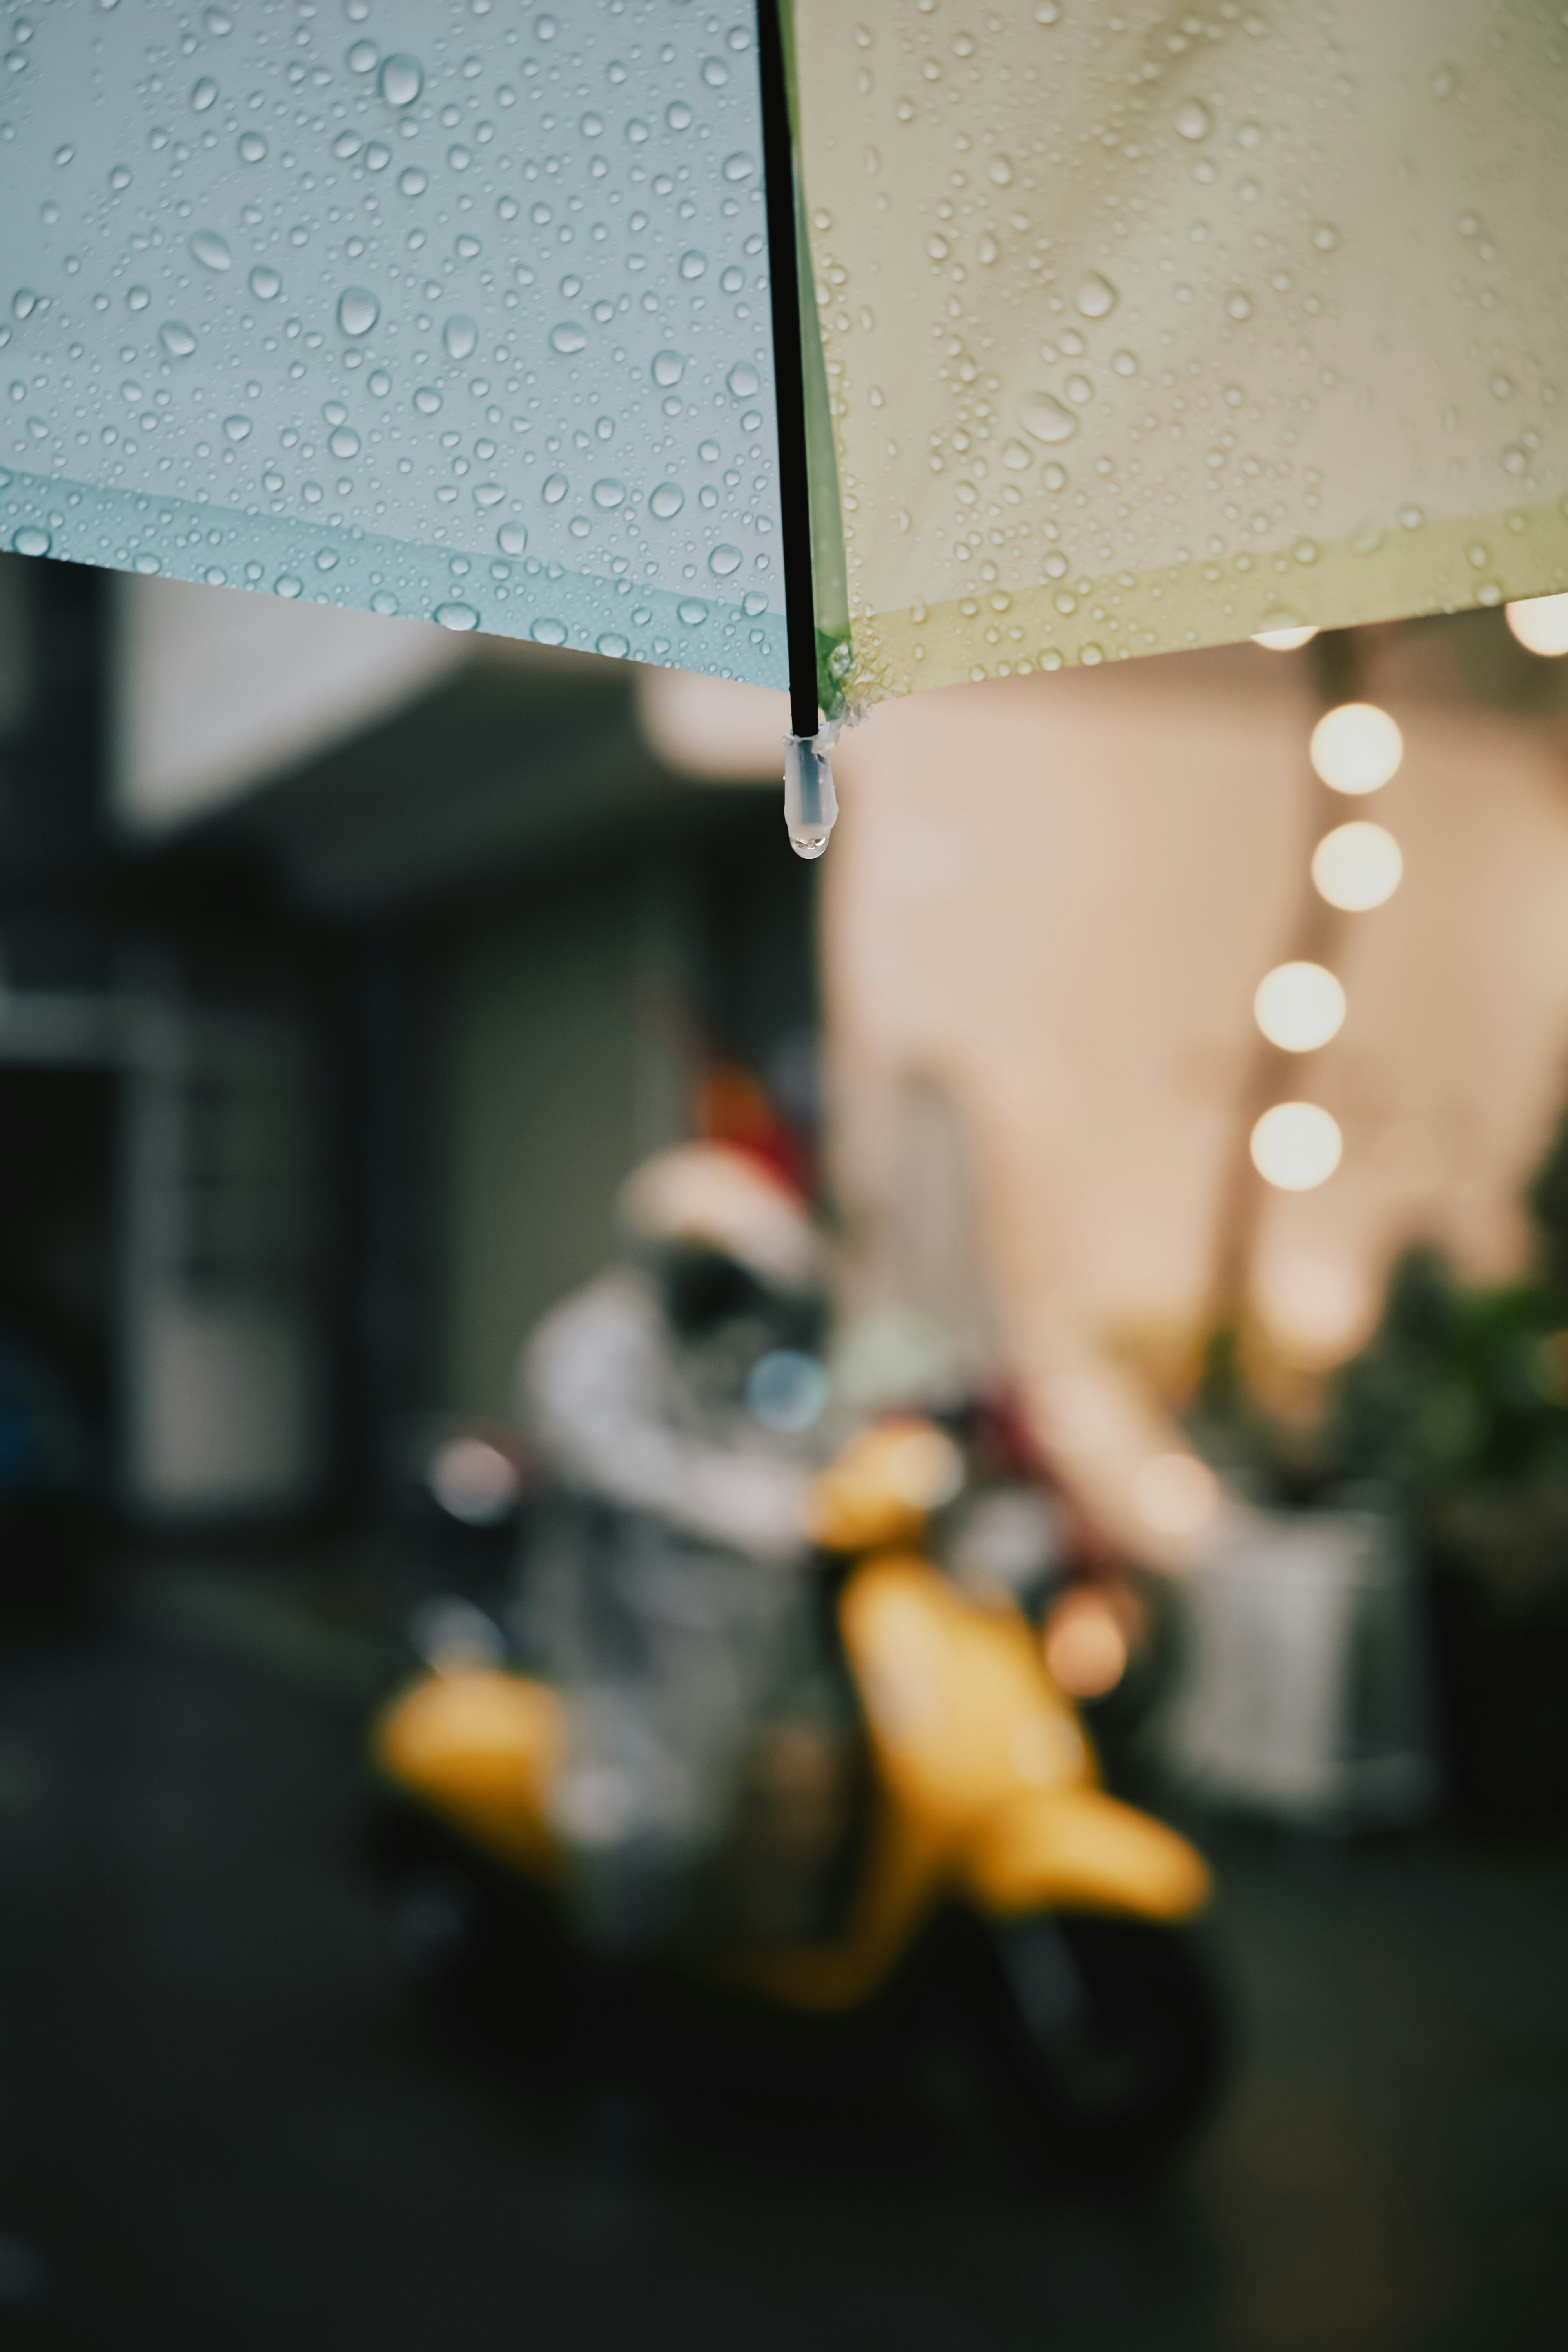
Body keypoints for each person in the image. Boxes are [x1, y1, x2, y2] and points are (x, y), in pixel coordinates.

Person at [514, 1141, 831, 1955]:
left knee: (725, 1796)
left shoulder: (718, 1343)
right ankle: (613, 1997)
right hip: (617, 1618)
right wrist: (746, 1506)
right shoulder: (590, 1343)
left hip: (724, 1621)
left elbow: (775, 1433)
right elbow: (613, 1463)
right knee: (629, 1807)